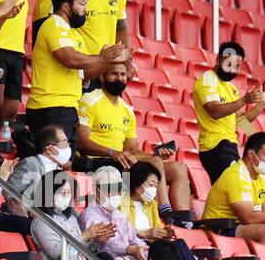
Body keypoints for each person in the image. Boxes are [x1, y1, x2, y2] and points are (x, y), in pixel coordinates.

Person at [77, 65, 194, 223]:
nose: (120, 78)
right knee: (156, 162)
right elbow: (81, 141)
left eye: (123, 74)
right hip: (99, 161)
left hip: (122, 161)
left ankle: (185, 221)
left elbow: (132, 150)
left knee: (179, 168)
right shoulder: (90, 99)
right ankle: (166, 211)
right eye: (114, 73)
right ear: (102, 77)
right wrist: (112, 152)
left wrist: (153, 155)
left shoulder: (127, 110)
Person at [25, 0, 130, 153]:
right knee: (56, 161)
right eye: (82, 4)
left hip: (66, 107)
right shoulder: (54, 24)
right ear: (66, 6)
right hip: (50, 106)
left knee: (63, 162)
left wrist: (108, 61)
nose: (86, 10)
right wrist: (102, 57)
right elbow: (68, 58)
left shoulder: (73, 34)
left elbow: (86, 73)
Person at [193, 41, 265, 180]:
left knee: (232, 193)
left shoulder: (231, 88)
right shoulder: (208, 80)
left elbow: (242, 122)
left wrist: (262, 103)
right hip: (215, 147)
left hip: (229, 147)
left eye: (237, 66)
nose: (233, 70)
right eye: (229, 64)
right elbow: (215, 112)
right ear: (218, 60)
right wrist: (244, 100)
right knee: (235, 188)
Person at [29, 169, 119, 260]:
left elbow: (79, 250)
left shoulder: (70, 218)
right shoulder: (41, 220)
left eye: (69, 192)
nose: (67, 196)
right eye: (62, 192)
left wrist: (96, 242)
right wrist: (85, 236)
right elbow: (57, 254)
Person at [79, 166, 148, 260]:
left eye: (119, 189)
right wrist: (131, 250)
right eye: (112, 190)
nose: (118, 194)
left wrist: (150, 252)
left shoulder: (120, 216)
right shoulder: (89, 216)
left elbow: (136, 242)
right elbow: (104, 248)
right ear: (97, 191)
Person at [7, 125, 73, 217]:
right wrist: (27, 214)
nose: (68, 147)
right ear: (50, 149)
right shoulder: (30, 164)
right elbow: (9, 193)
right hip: (32, 221)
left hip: (55, 219)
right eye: (65, 142)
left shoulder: (58, 169)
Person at [119, 162, 177, 244]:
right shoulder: (120, 201)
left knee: (179, 243)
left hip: (150, 246)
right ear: (137, 182)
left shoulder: (152, 204)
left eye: (156, 186)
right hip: (132, 246)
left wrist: (165, 233)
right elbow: (119, 230)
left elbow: (157, 227)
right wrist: (144, 234)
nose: (153, 189)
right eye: (151, 184)